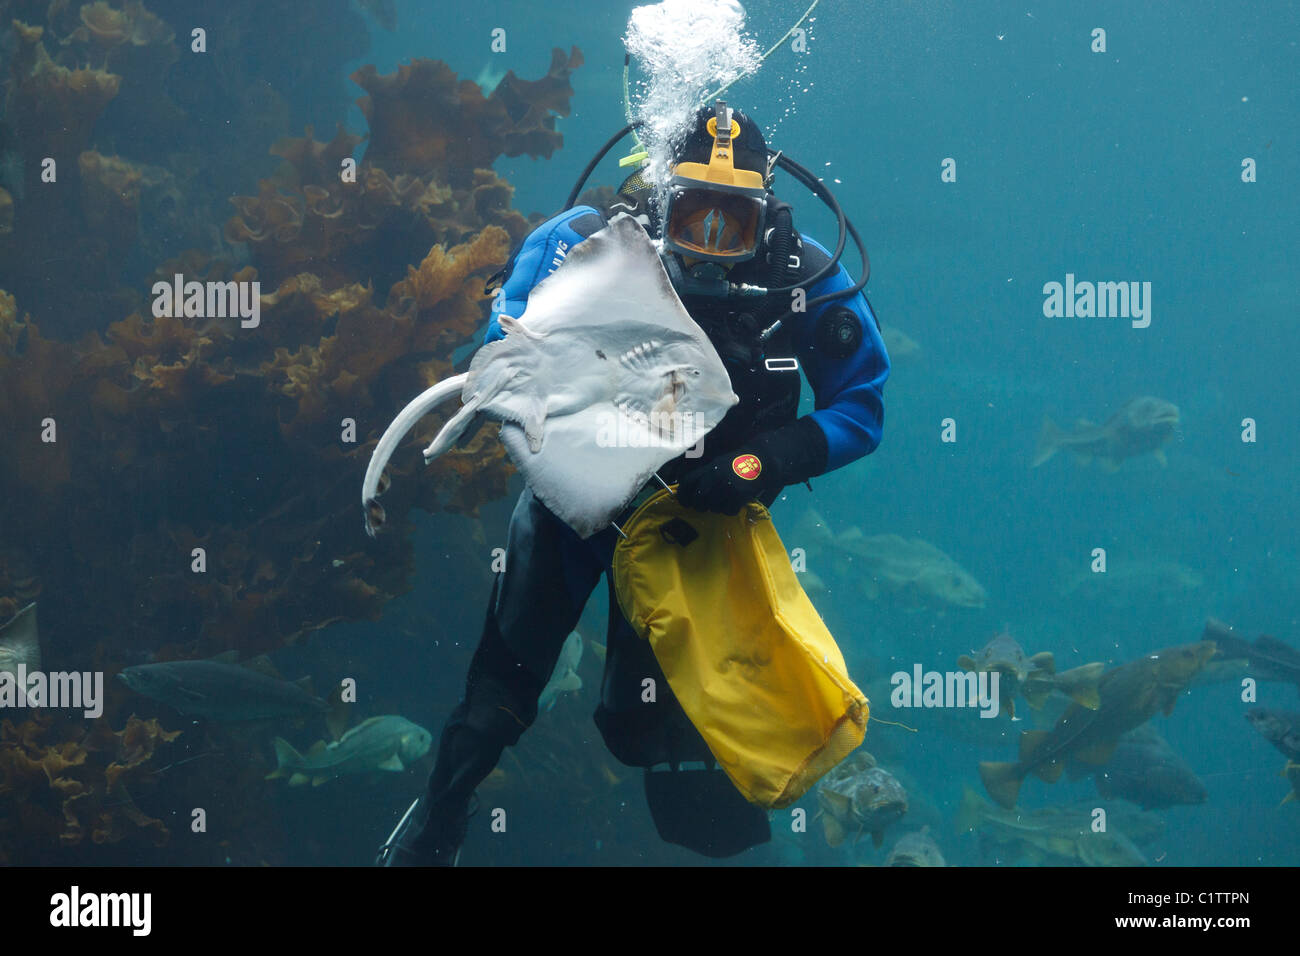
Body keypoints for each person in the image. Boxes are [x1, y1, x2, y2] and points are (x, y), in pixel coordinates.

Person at [376, 103, 890, 865]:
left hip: (703, 518)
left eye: (733, 222)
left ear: (766, 215)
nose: (711, 245)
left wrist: (760, 464)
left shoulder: (805, 276)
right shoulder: (584, 242)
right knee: (503, 687)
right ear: (658, 197)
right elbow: (502, 343)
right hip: (579, 502)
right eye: (692, 216)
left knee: (645, 724)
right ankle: (438, 821)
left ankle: (680, 767)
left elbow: (863, 407)